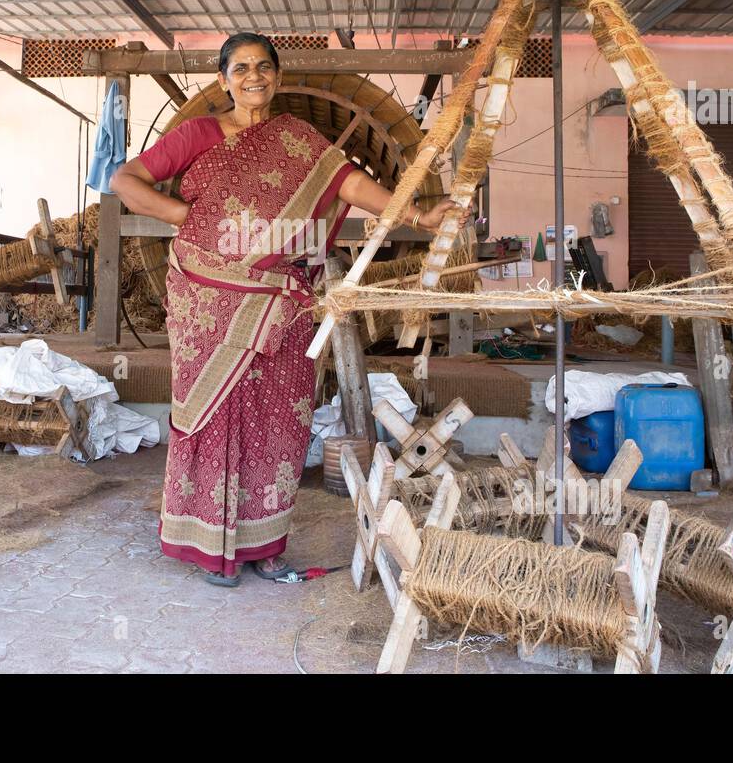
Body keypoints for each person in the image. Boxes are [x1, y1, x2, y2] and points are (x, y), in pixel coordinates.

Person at [110, 32, 467, 586]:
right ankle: (210, 546)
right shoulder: (198, 134)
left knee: (278, 424)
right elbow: (125, 181)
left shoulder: (300, 140)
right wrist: (185, 217)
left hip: (285, 306)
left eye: (264, 67)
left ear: (276, 75)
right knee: (212, 414)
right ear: (224, 77)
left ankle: (264, 542)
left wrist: (416, 216)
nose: (254, 76)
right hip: (210, 302)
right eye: (242, 68)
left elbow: (348, 183)